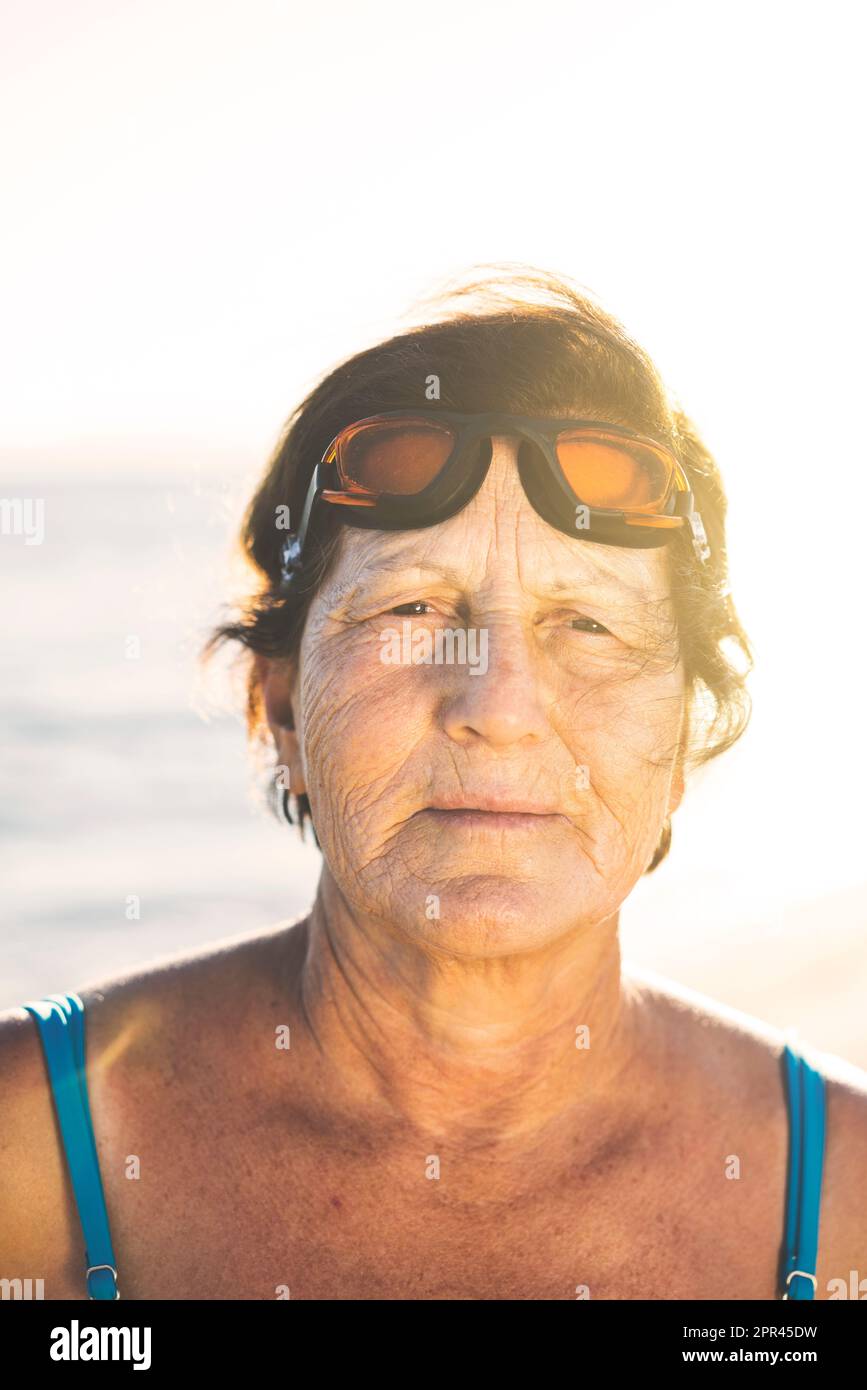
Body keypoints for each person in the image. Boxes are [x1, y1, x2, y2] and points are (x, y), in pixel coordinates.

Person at [2, 267, 865, 1301]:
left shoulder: (843, 1206)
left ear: (684, 734)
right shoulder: (33, 1152)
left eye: (587, 624)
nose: (498, 705)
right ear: (277, 704)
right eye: (412, 609)